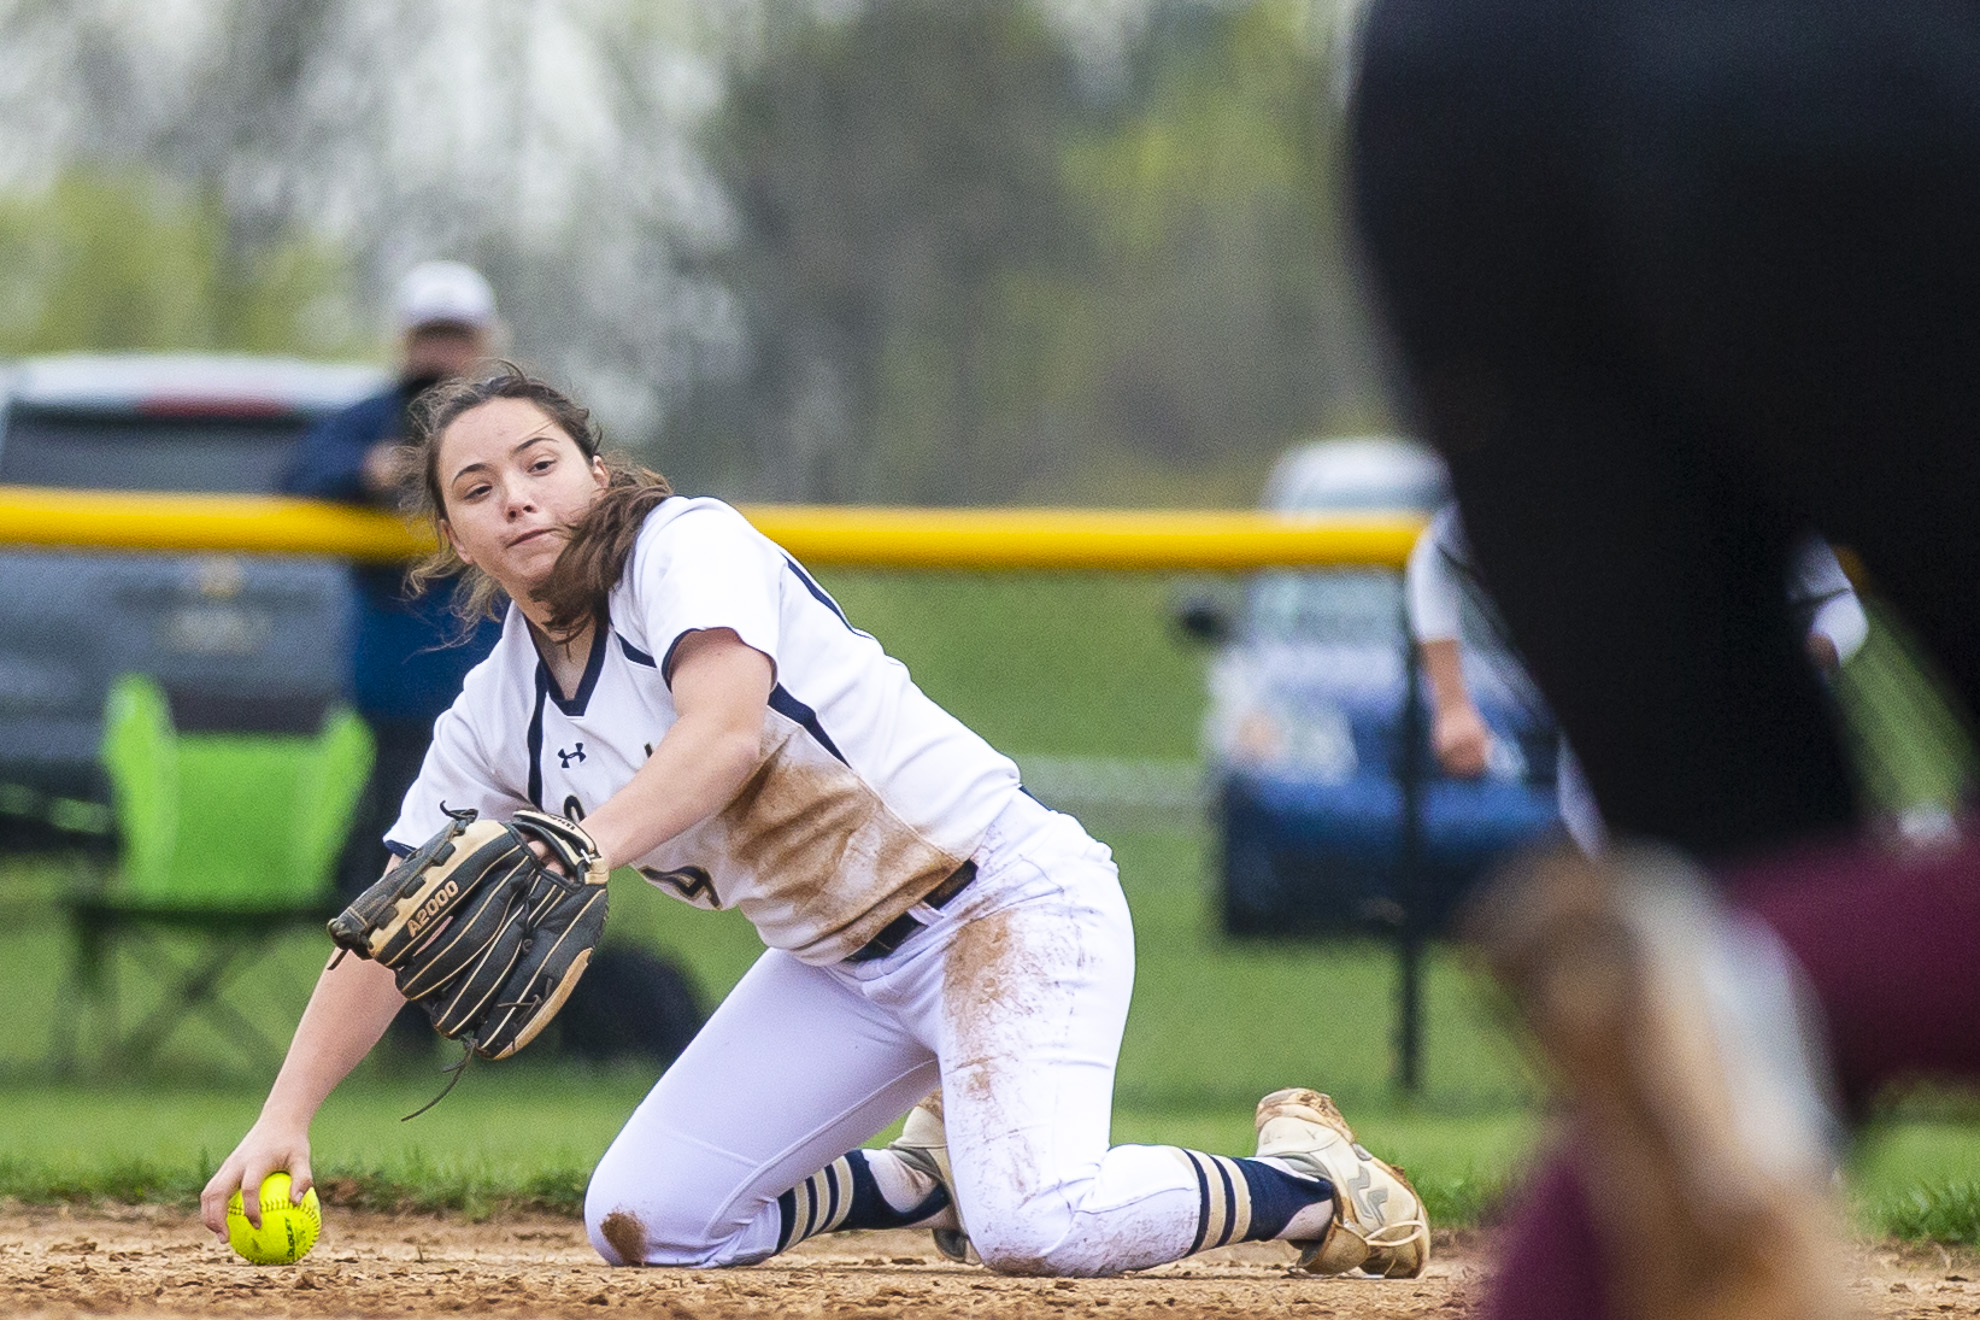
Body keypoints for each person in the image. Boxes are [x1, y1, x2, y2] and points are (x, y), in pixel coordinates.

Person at [199, 364, 1431, 1278]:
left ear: (595, 470)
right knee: (648, 1220)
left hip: (1003, 903)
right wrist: (284, 1114)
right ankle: (916, 1176)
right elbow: (398, 925)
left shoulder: (686, 548)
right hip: (838, 973)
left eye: (538, 462)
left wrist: (590, 846)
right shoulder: (495, 715)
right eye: (477, 488)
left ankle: (1306, 1186)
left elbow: (724, 732)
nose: (516, 498)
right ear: (455, 536)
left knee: (1031, 1227)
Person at [1350, 0, 1980, 1315]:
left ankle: (1736, 967)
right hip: (1857, 67)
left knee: (1703, 1104)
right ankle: (1761, 967)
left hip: (1457, 99)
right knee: (1743, 997)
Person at [1404, 505, 1867, 853]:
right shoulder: (1567, 473)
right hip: (1613, 728)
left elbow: (1844, 611)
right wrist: (1453, 705)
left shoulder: (1736, 479)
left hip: (1742, 744)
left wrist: (1786, 671)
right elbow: (1434, 556)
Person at [280, 260, 502, 900]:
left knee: (498, 804)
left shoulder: (502, 418)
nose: (442, 352)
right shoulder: (373, 419)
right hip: (397, 655)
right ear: (405, 342)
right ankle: (370, 901)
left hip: (487, 646)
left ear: (482, 345)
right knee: (397, 808)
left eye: (456, 337)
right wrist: (370, 470)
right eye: (431, 336)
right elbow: (300, 474)